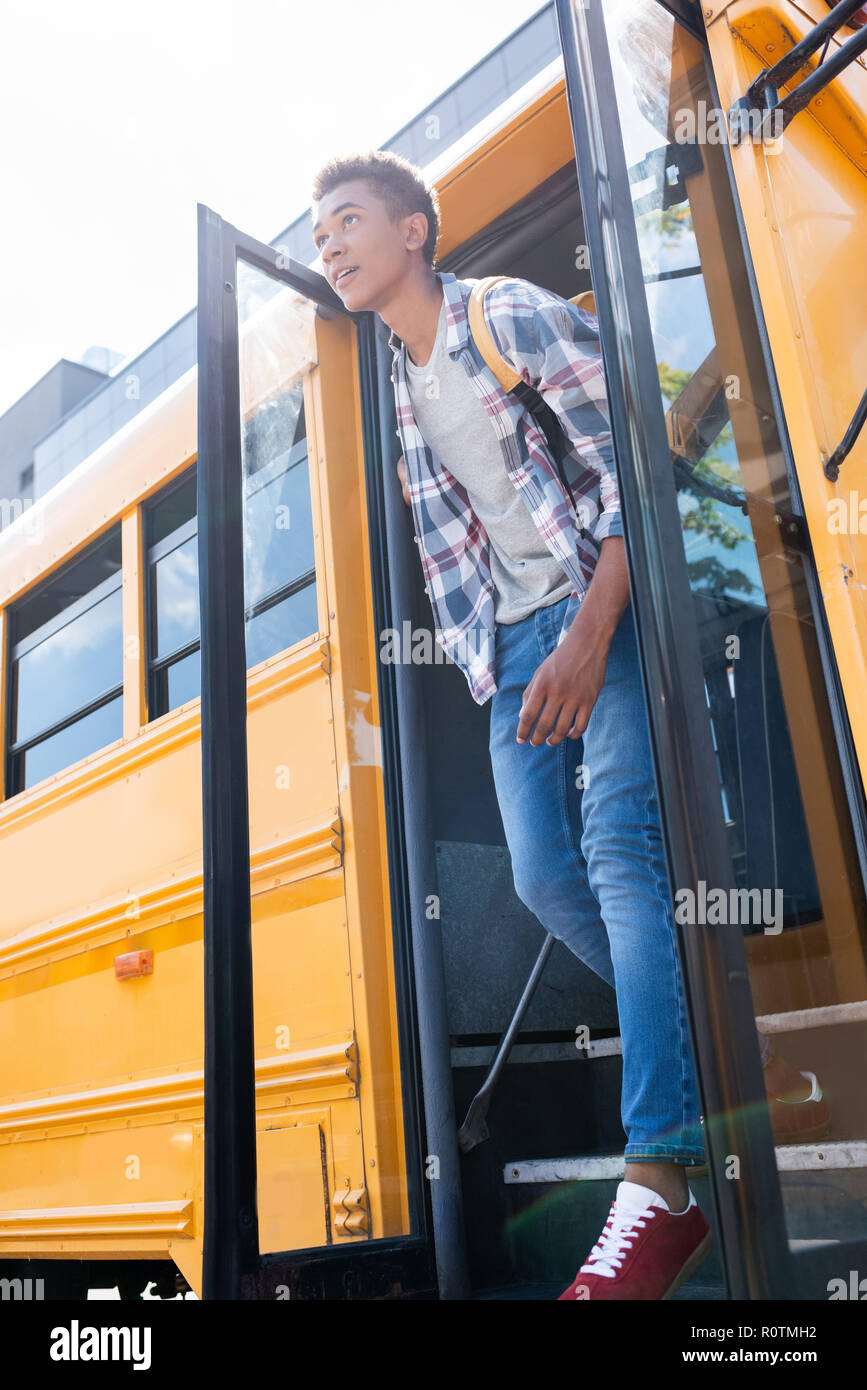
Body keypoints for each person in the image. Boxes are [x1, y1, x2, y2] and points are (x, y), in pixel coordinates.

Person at [309, 149, 825, 1301]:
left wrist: (592, 638)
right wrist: (525, 653)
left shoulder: (512, 320)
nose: (330, 245)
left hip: (611, 602)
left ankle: (662, 1183)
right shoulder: (395, 385)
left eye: (348, 221)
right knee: (544, 879)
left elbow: (642, 470)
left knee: (623, 861)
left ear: (415, 233)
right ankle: (730, 1056)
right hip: (518, 639)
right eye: (317, 234)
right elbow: (470, 550)